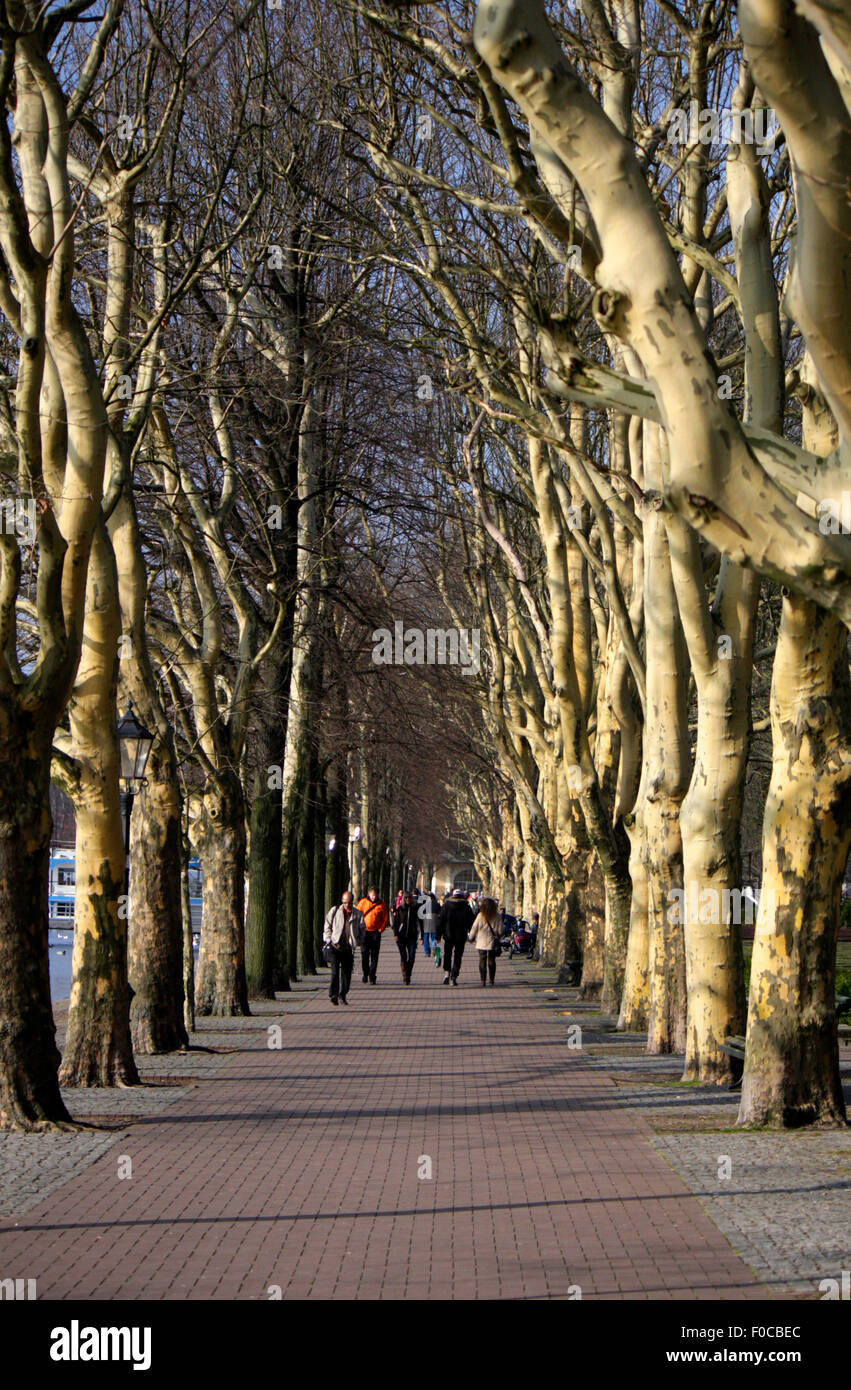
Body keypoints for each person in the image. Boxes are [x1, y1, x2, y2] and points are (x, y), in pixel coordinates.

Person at [322, 891, 365, 1005]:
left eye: (349, 903)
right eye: (345, 902)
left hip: (348, 948)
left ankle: (343, 994)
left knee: (346, 974)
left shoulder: (357, 914)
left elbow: (362, 929)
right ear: (342, 901)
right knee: (335, 972)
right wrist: (328, 939)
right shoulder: (335, 911)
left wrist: (358, 941)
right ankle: (333, 994)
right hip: (335, 946)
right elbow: (327, 925)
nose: (347, 905)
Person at [437, 887, 474, 985]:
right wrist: (472, 936)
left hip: (448, 934)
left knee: (447, 954)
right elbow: (471, 922)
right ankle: (454, 975)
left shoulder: (446, 906)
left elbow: (441, 921)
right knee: (458, 956)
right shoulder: (466, 907)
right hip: (461, 936)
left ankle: (447, 973)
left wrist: (438, 935)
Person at [356, 885, 389, 984]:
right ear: (369, 894)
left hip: (375, 932)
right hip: (365, 932)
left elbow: (385, 919)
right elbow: (357, 914)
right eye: (372, 895)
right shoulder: (363, 902)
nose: (374, 897)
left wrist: (380, 930)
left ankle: (372, 975)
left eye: (375, 895)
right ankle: (365, 973)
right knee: (364, 954)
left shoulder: (381, 905)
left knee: (374, 955)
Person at [468, 897, 501, 987]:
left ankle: (483, 980)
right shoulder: (497, 916)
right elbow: (500, 930)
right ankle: (491, 979)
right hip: (492, 941)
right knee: (492, 961)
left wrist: (470, 938)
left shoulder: (480, 916)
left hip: (481, 941)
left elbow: (474, 928)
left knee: (482, 960)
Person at [393, 890, 419, 985]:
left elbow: (420, 922)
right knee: (403, 956)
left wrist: (421, 935)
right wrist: (396, 933)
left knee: (412, 956)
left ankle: (408, 974)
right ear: (403, 899)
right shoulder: (400, 909)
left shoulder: (415, 909)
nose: (408, 899)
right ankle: (405, 976)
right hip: (401, 936)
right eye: (406, 897)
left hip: (411, 936)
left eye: (409, 897)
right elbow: (395, 923)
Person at [419, 889, 440, 958]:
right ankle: (434, 946)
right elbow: (440, 913)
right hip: (434, 921)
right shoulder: (437, 904)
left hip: (426, 921)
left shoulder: (424, 905)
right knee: (434, 937)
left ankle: (427, 952)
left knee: (426, 937)